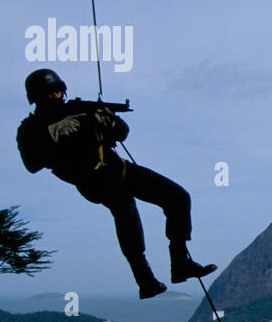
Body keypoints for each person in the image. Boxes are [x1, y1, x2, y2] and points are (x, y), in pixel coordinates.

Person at [16, 68, 217, 298]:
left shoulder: (80, 110)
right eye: (53, 93)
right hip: (91, 178)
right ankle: (144, 279)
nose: (59, 96)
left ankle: (180, 263)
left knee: (178, 197)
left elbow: (122, 133)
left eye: (61, 91)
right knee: (124, 205)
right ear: (39, 98)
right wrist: (63, 132)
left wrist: (109, 122)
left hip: (118, 168)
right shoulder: (30, 129)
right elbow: (31, 164)